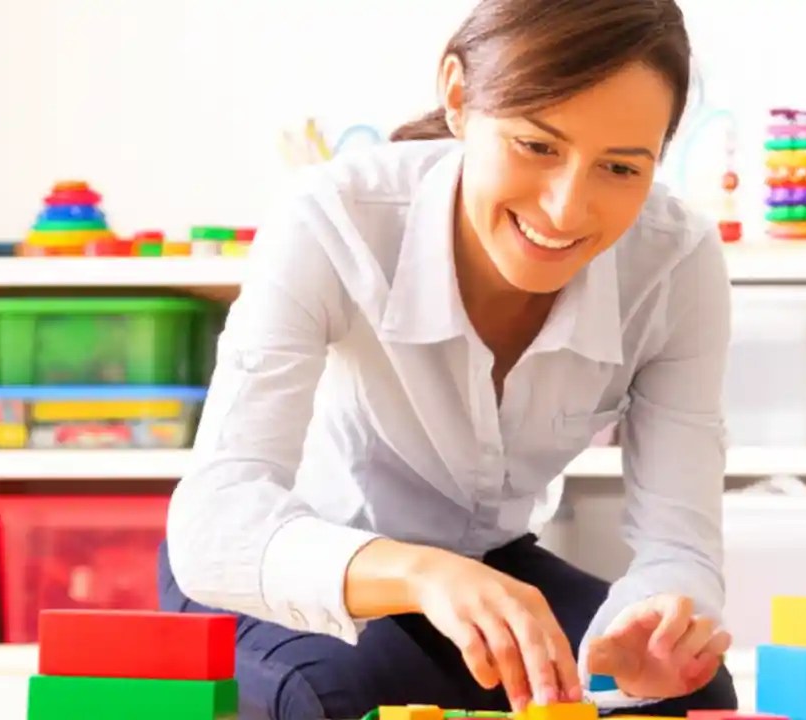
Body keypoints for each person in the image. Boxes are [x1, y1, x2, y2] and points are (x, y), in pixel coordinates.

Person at [158, 1, 739, 718]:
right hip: (282, 567)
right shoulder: (334, 217)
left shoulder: (675, 264)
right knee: (338, 697)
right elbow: (216, 525)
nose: (566, 209)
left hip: (484, 574)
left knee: (689, 693)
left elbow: (682, 545)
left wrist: (651, 621)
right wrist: (421, 574)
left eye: (620, 167)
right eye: (537, 146)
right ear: (460, 98)